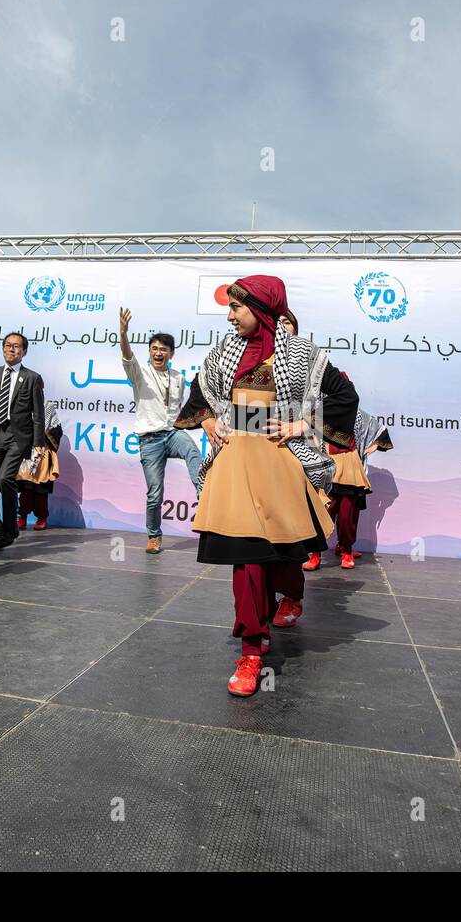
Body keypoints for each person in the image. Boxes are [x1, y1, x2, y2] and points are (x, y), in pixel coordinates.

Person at [175, 275, 358, 697]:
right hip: (235, 461)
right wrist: (206, 420)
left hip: (280, 460)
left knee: (284, 549)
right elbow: (199, 395)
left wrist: (301, 423)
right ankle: (251, 650)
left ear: (259, 310)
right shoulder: (223, 352)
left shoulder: (301, 354)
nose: (230, 314)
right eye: (231, 307)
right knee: (248, 558)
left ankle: (291, 596)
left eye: (237, 307)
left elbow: (345, 397)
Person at [277, 311, 393, 571]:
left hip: (347, 464)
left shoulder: (352, 410)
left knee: (348, 515)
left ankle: (346, 551)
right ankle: (315, 553)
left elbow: (379, 433)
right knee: (320, 510)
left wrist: (364, 453)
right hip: (318, 461)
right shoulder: (311, 407)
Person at [118, 307, 202, 553]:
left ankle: (204, 497)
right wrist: (123, 333)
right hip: (150, 440)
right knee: (155, 493)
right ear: (149, 352)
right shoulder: (139, 373)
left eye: (163, 349)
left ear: (171, 354)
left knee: (193, 451)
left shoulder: (178, 377)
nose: (158, 353)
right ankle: (154, 536)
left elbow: (176, 407)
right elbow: (127, 356)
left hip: (172, 433)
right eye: (154, 349)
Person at [0, 332, 44, 550]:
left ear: (24, 352)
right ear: (2, 348)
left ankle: (10, 529)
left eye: (16, 347)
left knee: (5, 479)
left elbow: (38, 414)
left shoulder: (32, 378)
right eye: (8, 345)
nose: (11, 349)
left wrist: (38, 444)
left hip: (19, 438)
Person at [15, 400, 64, 529]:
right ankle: (22, 517)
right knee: (25, 489)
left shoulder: (48, 407)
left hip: (42, 452)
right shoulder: (23, 404)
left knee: (41, 489)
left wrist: (42, 433)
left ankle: (41, 518)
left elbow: (57, 430)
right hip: (26, 453)